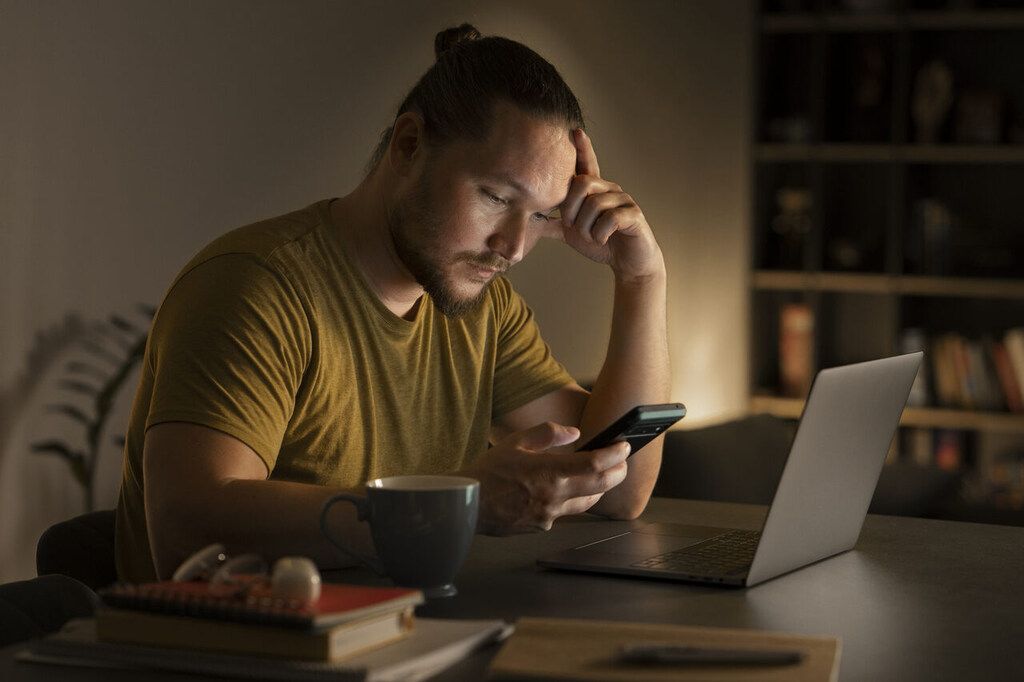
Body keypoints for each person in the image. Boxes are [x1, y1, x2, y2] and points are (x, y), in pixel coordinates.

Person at [115, 24, 670, 583]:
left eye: (542, 214)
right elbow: (185, 534)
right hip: (233, 653)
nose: (515, 248)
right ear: (409, 145)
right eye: (497, 197)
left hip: (402, 638)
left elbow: (618, 491)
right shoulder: (255, 287)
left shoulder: (483, 308)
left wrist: (641, 278)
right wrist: (462, 501)